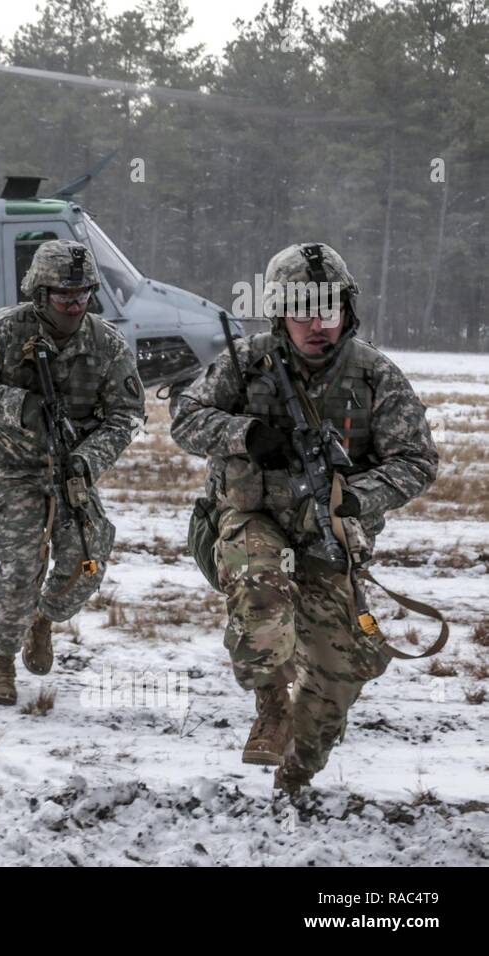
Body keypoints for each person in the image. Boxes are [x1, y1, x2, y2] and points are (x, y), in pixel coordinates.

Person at [171, 242, 438, 794]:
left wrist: (356, 497)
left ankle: (297, 770)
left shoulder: (374, 376)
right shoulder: (246, 362)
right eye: (302, 310)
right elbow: (185, 417)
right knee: (260, 583)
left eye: (328, 309)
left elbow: (417, 461)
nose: (317, 324)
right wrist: (245, 434)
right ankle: (269, 704)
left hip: (329, 535)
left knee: (342, 674)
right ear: (280, 312)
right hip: (255, 517)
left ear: (347, 309)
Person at [0, 239, 145, 705]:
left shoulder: (106, 344)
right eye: (64, 297)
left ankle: (44, 618)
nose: (76, 305)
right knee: (19, 568)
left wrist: (89, 458)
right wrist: (21, 406)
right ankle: (1, 663)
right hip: (14, 467)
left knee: (87, 560)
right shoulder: (5, 330)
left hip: (72, 471)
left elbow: (128, 415)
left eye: (83, 296)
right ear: (40, 294)